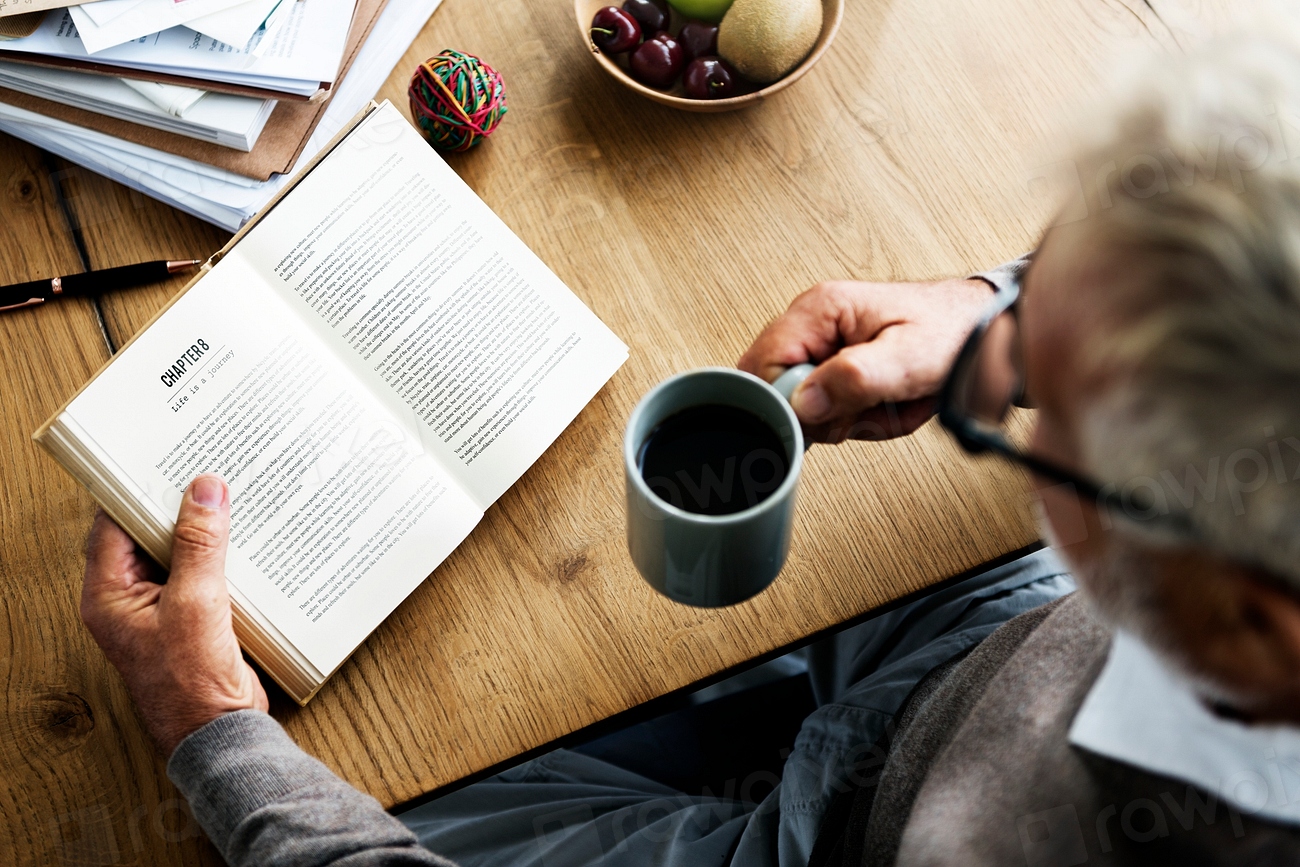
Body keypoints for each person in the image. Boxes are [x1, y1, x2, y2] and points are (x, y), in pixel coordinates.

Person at [79, 30, 1300, 867]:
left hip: (861, 832)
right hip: (993, 650)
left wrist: (215, 735)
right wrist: (993, 310)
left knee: (368, 779)